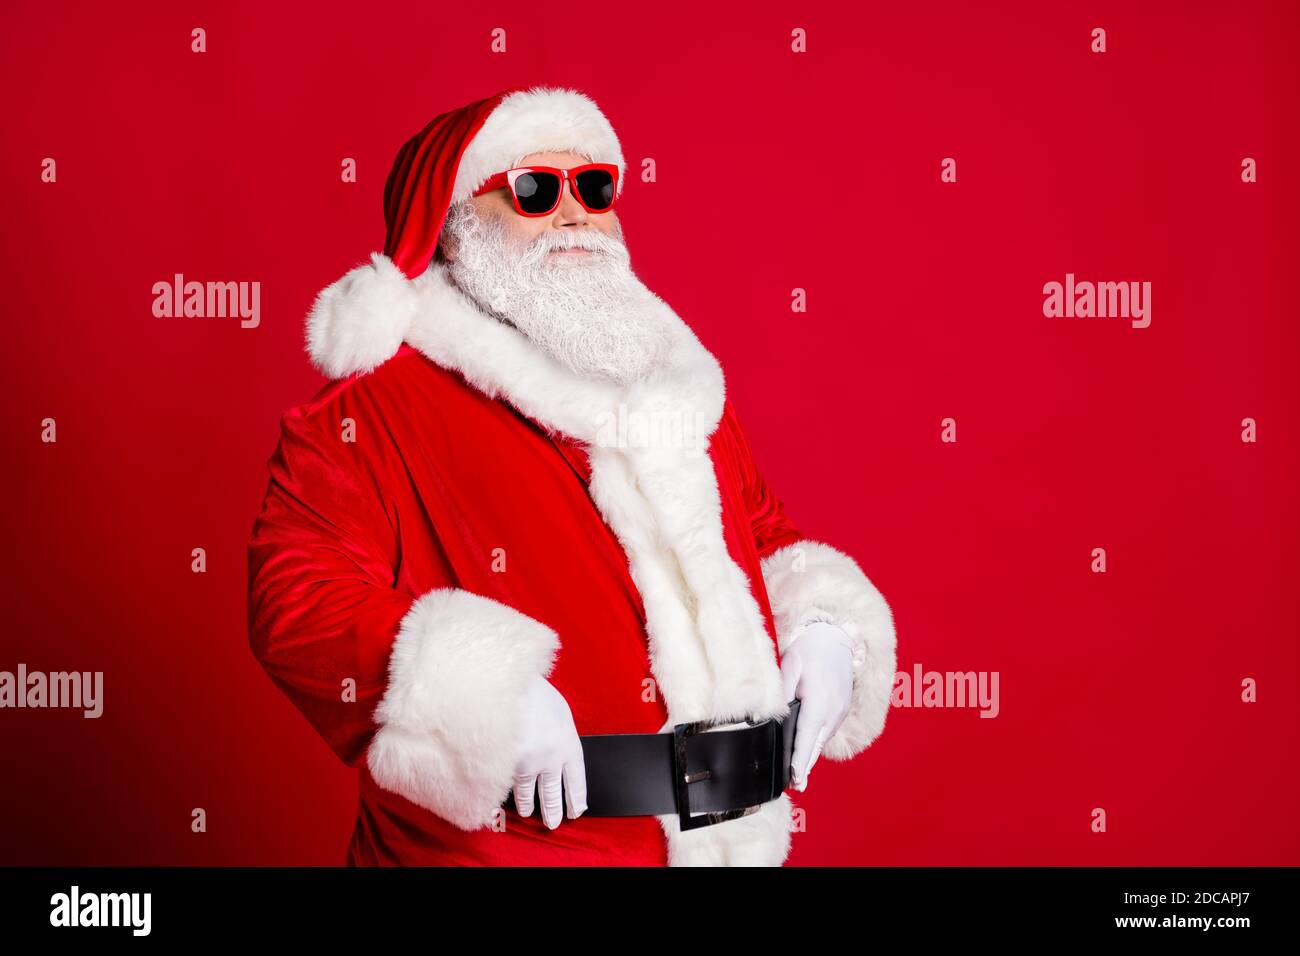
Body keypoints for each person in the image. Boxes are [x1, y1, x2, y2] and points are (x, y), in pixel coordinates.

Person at [246, 84, 897, 866]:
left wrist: (824, 625)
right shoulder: (376, 407)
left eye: (593, 188)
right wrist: (475, 695)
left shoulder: (676, 386)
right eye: (532, 190)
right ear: (454, 230)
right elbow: (296, 595)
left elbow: (757, 530)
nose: (574, 214)